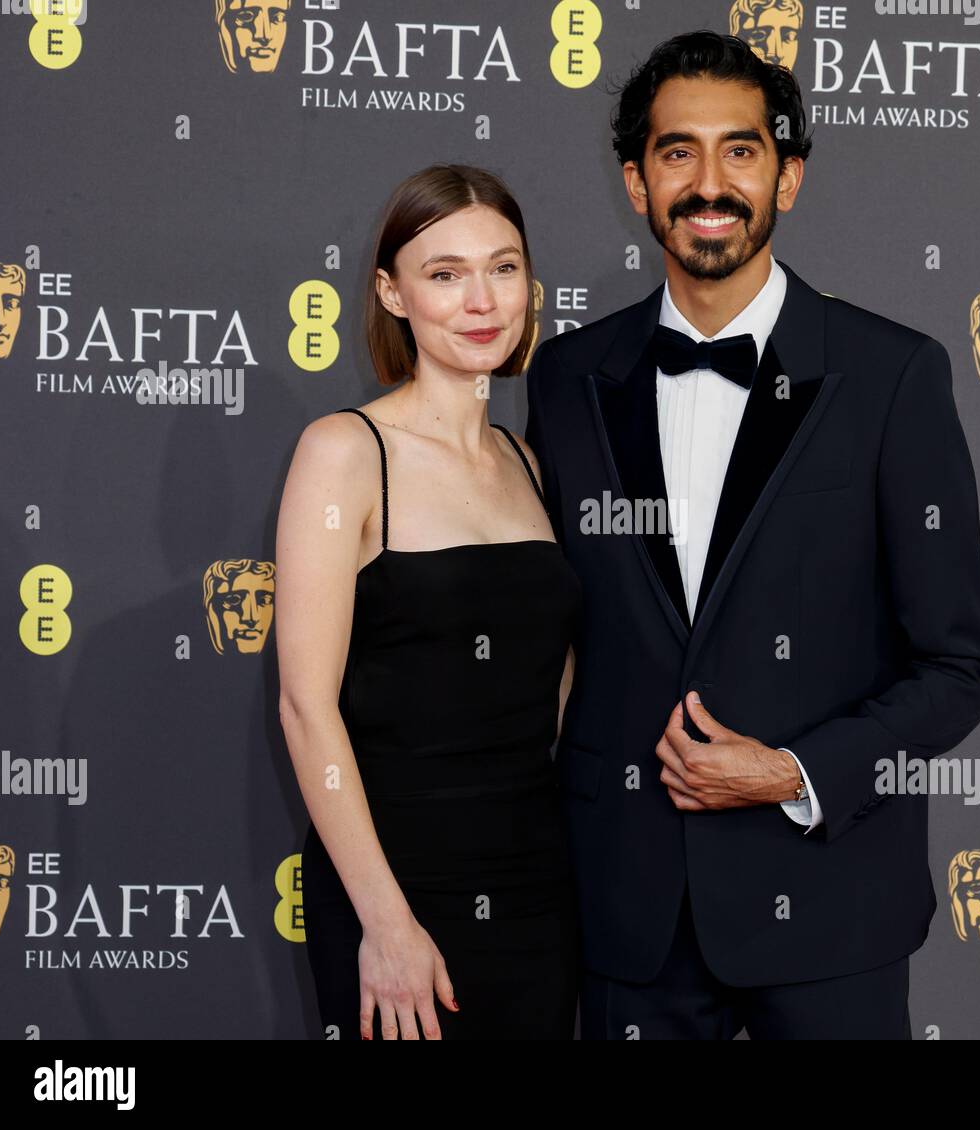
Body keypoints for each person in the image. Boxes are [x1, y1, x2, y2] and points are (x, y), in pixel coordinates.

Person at [524, 31, 980, 1039]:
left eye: (740, 151)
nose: (709, 183)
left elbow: (961, 664)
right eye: (676, 152)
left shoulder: (891, 375)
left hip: (832, 909)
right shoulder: (565, 378)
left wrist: (792, 770)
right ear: (634, 180)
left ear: (787, 177)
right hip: (626, 910)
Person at [276, 165, 581, 1040]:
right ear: (393, 292)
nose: (480, 300)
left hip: (536, 887)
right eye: (444, 274)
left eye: (504, 267)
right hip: (396, 883)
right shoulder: (346, 451)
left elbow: (550, 683)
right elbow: (305, 708)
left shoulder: (529, 462)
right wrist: (384, 920)